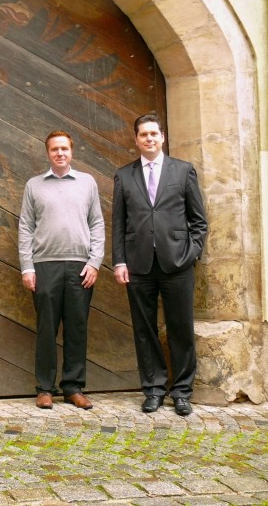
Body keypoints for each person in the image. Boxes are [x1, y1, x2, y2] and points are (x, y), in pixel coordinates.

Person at [112, 114, 207, 416]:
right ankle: (153, 389)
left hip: (177, 263)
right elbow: (118, 224)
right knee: (144, 329)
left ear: (162, 137)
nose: (149, 139)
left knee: (181, 328)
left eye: (154, 133)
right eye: (143, 135)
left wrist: (192, 253)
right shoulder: (124, 176)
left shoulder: (183, 171)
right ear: (136, 139)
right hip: (139, 264)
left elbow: (199, 221)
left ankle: (181, 392)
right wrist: (119, 261)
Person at [18, 131, 104, 411]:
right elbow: (25, 227)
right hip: (45, 266)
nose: (60, 153)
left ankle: (73, 387)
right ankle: (45, 389)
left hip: (80, 267)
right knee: (46, 328)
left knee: (77, 327)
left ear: (72, 151)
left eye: (64, 148)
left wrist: (94, 262)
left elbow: (97, 224)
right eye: (54, 149)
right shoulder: (34, 185)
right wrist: (27, 267)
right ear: (48, 153)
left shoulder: (87, 183)